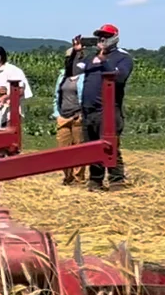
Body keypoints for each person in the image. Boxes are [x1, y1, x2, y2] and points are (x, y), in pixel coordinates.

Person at [79, 23, 133, 190]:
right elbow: (73, 71)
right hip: (89, 109)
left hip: (108, 109)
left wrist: (105, 62)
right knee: (91, 146)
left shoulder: (123, 58)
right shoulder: (91, 57)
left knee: (109, 145)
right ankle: (95, 179)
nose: (102, 39)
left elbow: (120, 78)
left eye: (106, 36)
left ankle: (116, 179)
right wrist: (75, 53)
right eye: (100, 36)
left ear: (114, 38)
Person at [50, 36, 88, 184]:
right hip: (63, 115)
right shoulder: (62, 76)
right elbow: (56, 96)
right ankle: (67, 176)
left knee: (79, 148)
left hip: (78, 116)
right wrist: (57, 113)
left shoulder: (84, 77)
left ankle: (78, 179)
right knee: (62, 149)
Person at [0, 48, 30, 131]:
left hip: (11, 112)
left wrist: (7, 96)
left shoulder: (13, 70)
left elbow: (20, 90)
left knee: (9, 137)